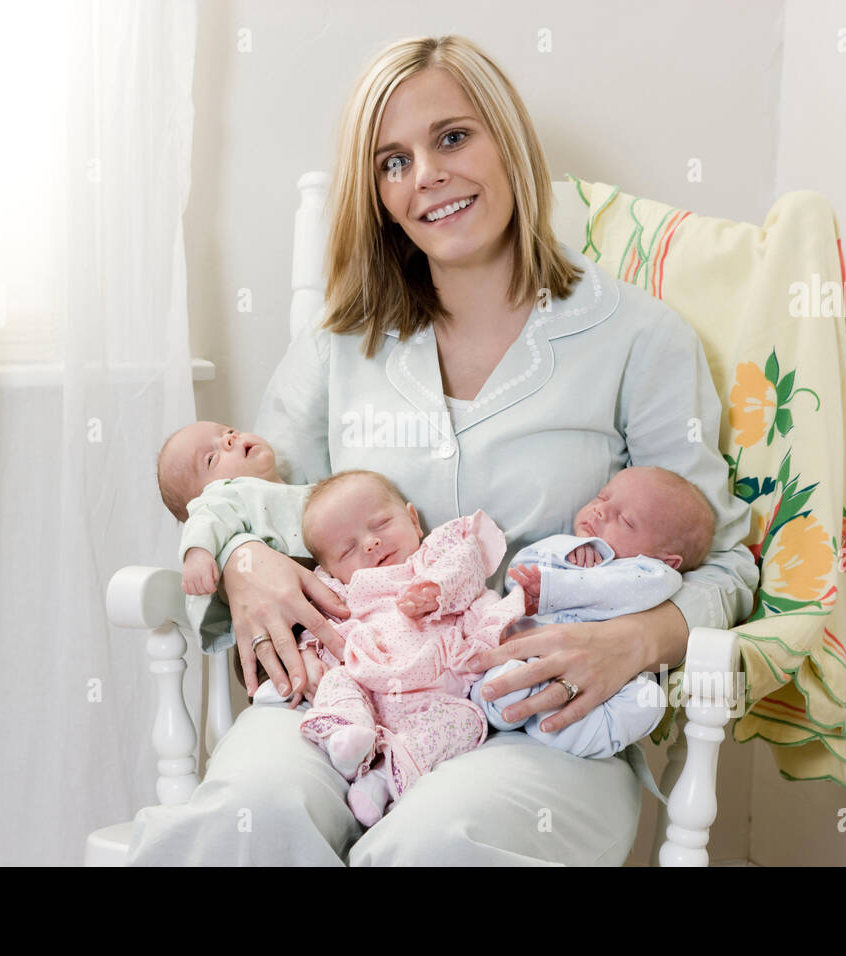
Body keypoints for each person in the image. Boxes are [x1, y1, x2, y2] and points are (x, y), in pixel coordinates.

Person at [126, 34, 758, 866]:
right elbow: (256, 501)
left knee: (432, 844)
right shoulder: (337, 349)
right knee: (246, 813)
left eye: (452, 138)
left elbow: (721, 563)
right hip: (345, 693)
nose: (426, 175)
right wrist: (244, 558)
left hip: (539, 718)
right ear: (379, 195)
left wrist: (631, 643)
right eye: (393, 161)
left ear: (508, 140)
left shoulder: (640, 339)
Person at [292, 469, 525, 826]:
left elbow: (467, 563)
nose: (370, 543)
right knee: (336, 682)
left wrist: (437, 590)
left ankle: (383, 778)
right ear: (329, 572)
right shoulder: (342, 591)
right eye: (348, 548)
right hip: (369, 687)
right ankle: (348, 736)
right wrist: (308, 657)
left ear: (413, 520)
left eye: (381, 524)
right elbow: (312, 626)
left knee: (467, 721)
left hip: (438, 693)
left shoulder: (434, 556)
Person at [475, 465, 717, 759]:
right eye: (602, 498)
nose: (600, 512)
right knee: (501, 672)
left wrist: (562, 587)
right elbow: (518, 575)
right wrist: (562, 563)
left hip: (595, 683)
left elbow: (621, 590)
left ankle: (562, 729)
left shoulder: (652, 575)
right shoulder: (559, 547)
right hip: (526, 654)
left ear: (666, 560)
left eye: (626, 521)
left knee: (647, 700)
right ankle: (499, 705)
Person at [155, 420, 312, 597]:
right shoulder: (230, 493)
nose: (230, 439)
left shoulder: (298, 490)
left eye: (228, 431)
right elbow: (206, 517)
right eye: (211, 458)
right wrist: (196, 552)